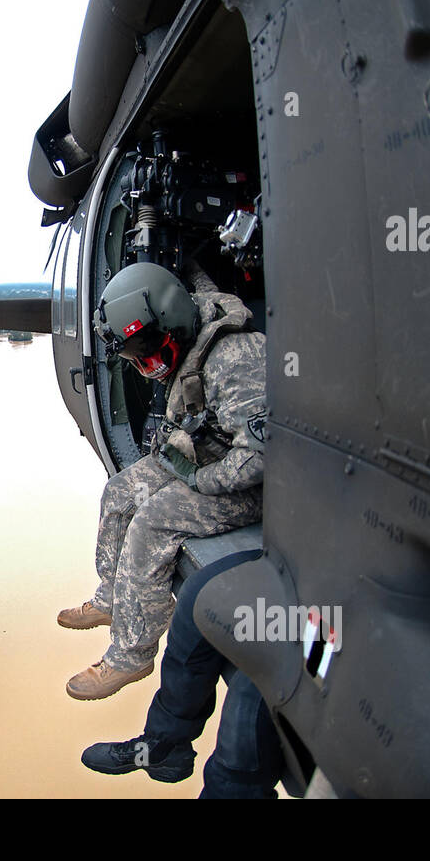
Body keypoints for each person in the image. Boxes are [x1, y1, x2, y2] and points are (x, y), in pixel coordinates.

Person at [58, 260, 266, 700]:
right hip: (202, 455)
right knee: (119, 494)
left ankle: (130, 655)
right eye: (134, 354)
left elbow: (259, 459)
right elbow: (196, 279)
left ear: (172, 323)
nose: (145, 362)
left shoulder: (237, 359)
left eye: (146, 348)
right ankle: (111, 598)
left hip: (249, 486)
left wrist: (199, 478)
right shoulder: (188, 327)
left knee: (152, 522)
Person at [79, 551, 287, 798]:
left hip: (323, 608)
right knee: (198, 595)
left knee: (251, 691)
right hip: (295, 562)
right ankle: (164, 746)